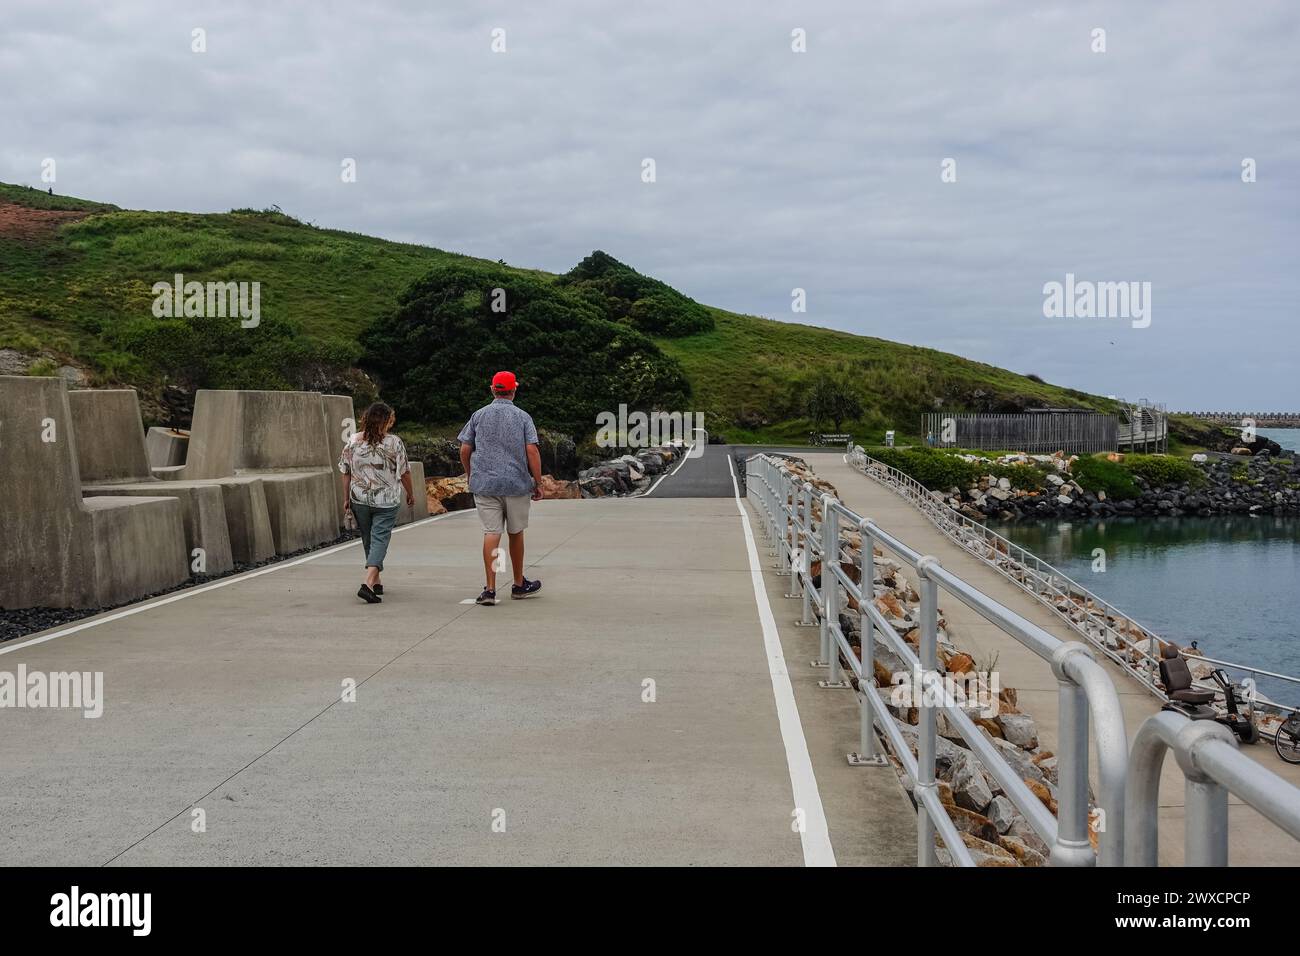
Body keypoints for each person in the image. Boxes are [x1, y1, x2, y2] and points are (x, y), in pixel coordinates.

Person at [458, 371, 544, 606]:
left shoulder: (478, 415)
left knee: (491, 533)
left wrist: (470, 474)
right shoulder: (523, 417)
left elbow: (465, 450)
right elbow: (532, 451)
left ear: (492, 389)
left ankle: (490, 588)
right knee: (515, 532)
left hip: (485, 484)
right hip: (516, 484)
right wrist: (538, 481)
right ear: (513, 390)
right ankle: (518, 584)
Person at [339, 402, 413, 604]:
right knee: (380, 539)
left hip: (359, 499)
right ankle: (367, 584)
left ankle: (377, 581)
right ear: (387, 420)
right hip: (386, 500)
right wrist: (410, 493)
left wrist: (346, 498)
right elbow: (404, 471)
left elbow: (345, 471)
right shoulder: (394, 442)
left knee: (368, 539)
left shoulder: (353, 441)